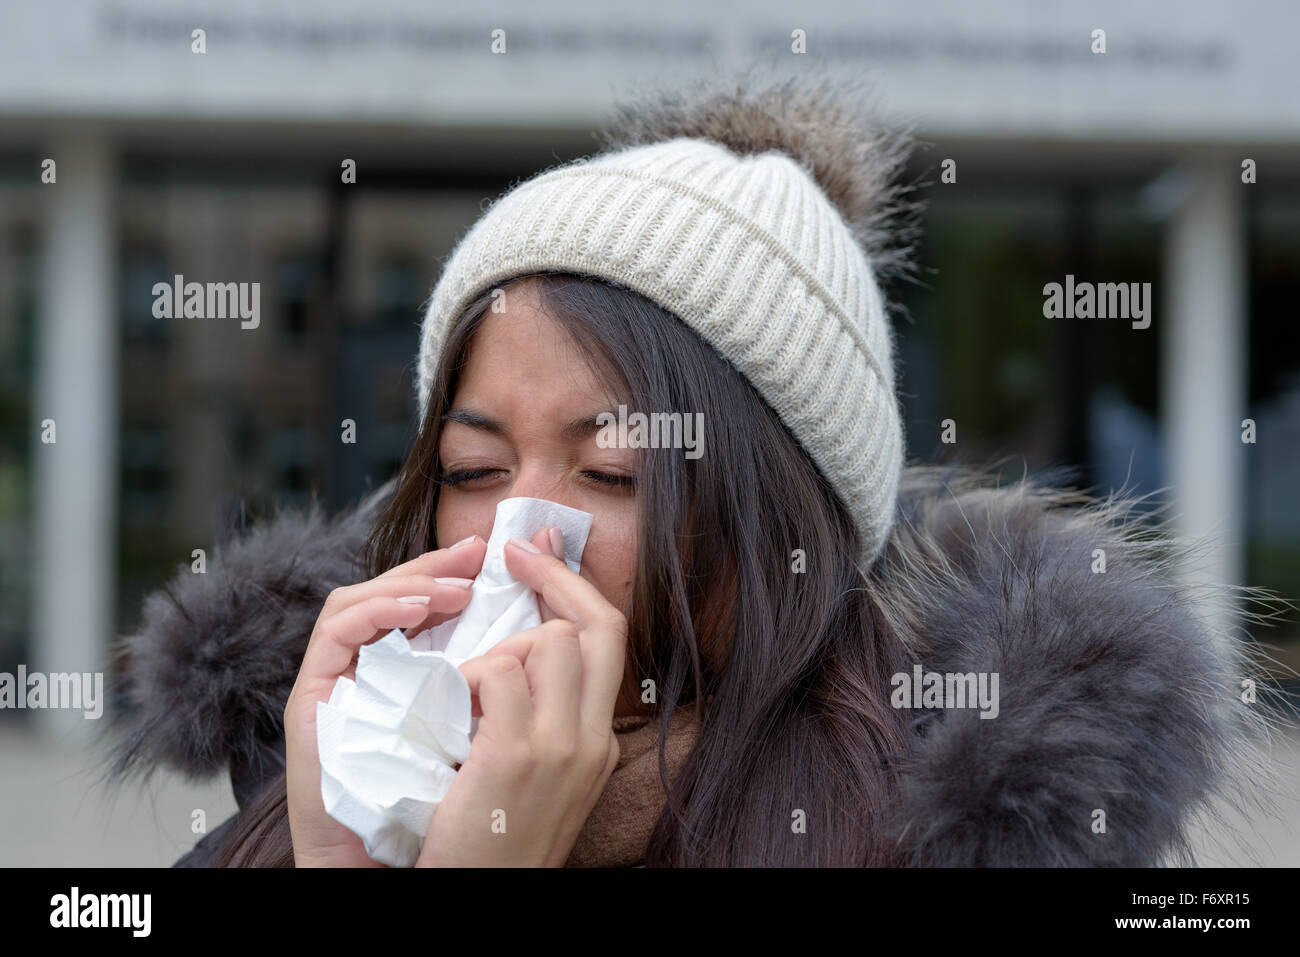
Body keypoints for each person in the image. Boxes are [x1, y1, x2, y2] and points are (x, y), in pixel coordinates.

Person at [106, 74, 1282, 867]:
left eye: (614, 472)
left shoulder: (920, 835)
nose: (522, 537)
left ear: (790, 525)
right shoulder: (318, 791)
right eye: (473, 464)